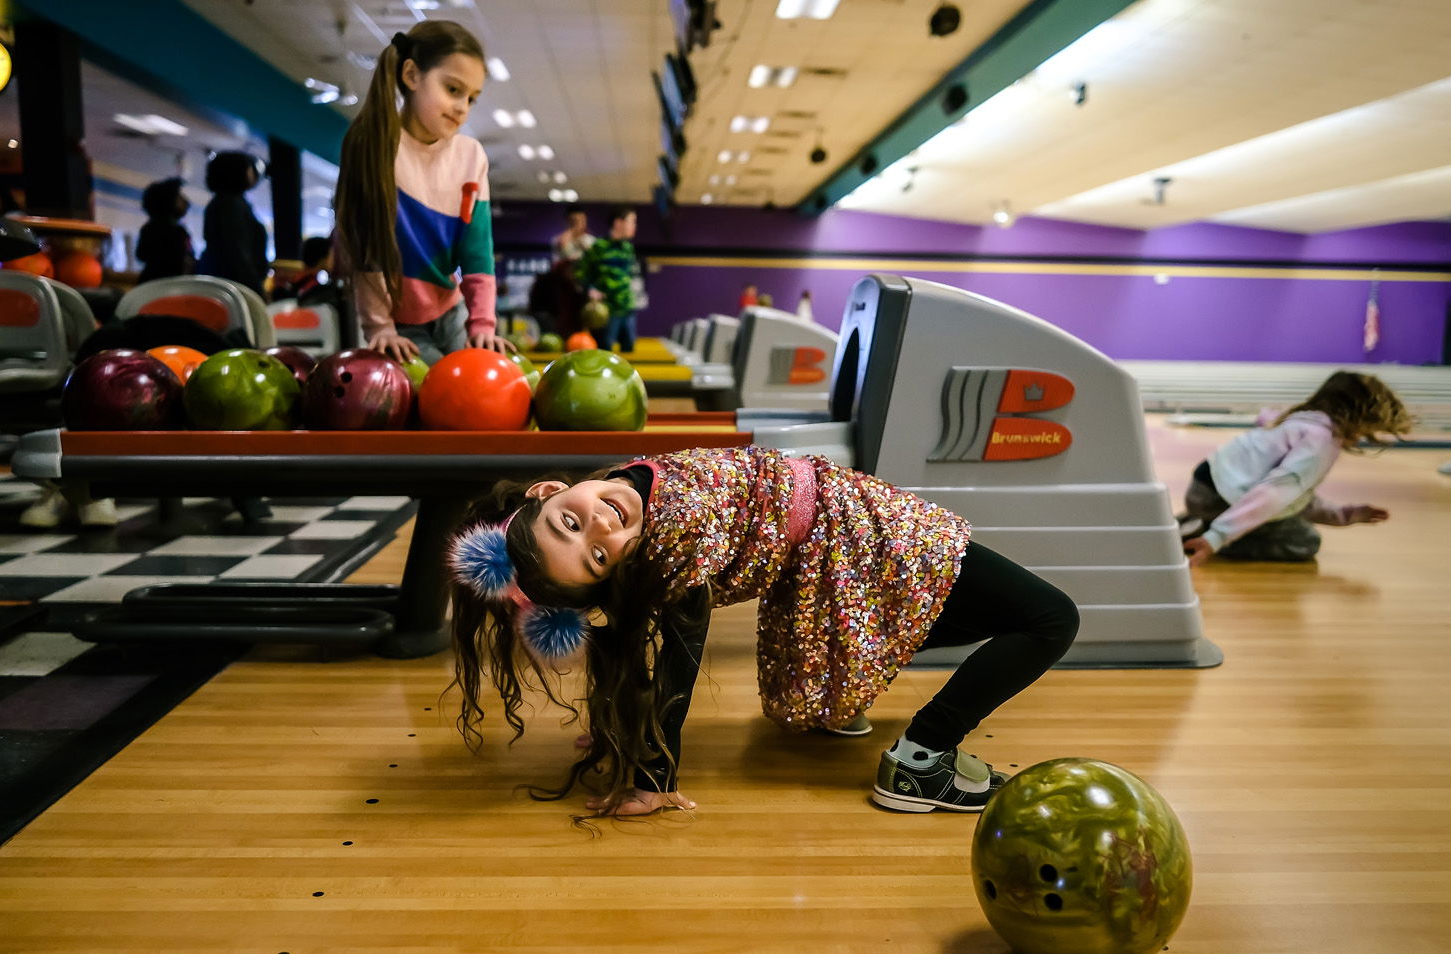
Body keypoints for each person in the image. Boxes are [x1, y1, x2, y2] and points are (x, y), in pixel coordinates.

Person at [444, 446, 1079, 818]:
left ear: (550, 489)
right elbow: (676, 662)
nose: (602, 529)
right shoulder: (669, 531)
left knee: (957, 616)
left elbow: (638, 634)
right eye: (598, 558)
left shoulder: (635, 498)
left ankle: (859, 699)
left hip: (847, 529)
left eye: (568, 523)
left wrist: (628, 734)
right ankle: (919, 762)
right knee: (1052, 618)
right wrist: (652, 780)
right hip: (847, 533)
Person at [333, 21, 501, 364]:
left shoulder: (471, 156)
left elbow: (477, 252)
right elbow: (367, 252)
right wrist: (381, 328)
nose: (462, 107)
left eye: (471, 98)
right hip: (396, 323)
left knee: (490, 389)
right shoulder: (375, 146)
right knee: (436, 399)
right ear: (411, 76)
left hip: (450, 311)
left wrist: (483, 324)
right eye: (453, 89)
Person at [1178, 371, 1412, 566]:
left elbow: (1294, 498)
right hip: (1220, 498)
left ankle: (1197, 521)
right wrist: (1216, 537)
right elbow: (1276, 492)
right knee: (1304, 541)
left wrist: (1343, 515)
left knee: (1287, 513)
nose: (1361, 438)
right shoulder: (1321, 440)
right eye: (1365, 430)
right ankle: (1201, 532)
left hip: (1204, 487)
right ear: (1356, 416)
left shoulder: (1301, 421)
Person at [195, 151, 269, 298]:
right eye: (248, 168)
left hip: (225, 282)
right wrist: (254, 287)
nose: (252, 173)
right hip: (234, 287)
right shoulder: (232, 204)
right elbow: (237, 249)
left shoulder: (223, 202)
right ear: (237, 172)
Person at [579, 207, 641, 353]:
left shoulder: (628, 248)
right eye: (632, 221)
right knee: (605, 348)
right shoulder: (599, 246)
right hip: (606, 309)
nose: (634, 226)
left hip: (626, 306)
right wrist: (590, 289)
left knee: (629, 347)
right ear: (618, 223)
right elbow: (581, 272)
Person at [135, 177, 194, 283]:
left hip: (150, 284)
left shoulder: (148, 228)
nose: (185, 201)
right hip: (168, 287)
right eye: (178, 196)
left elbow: (141, 255)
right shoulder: (178, 232)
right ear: (168, 201)